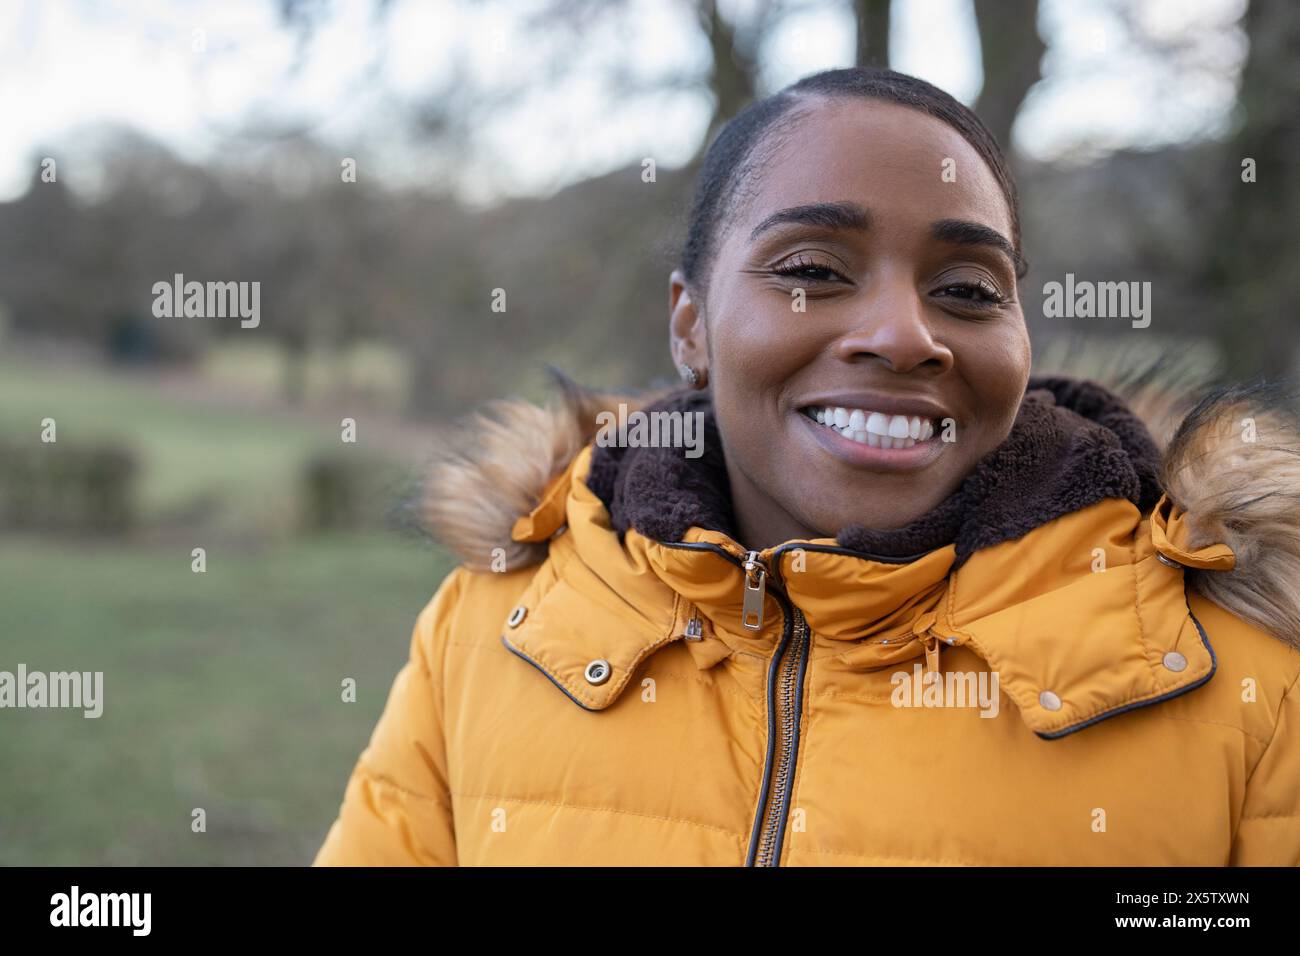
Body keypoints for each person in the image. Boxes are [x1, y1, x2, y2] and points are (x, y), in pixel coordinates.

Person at [313, 67, 1300, 866]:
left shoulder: (1247, 684)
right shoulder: (492, 626)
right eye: (811, 271)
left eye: (967, 287)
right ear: (690, 322)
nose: (904, 334)